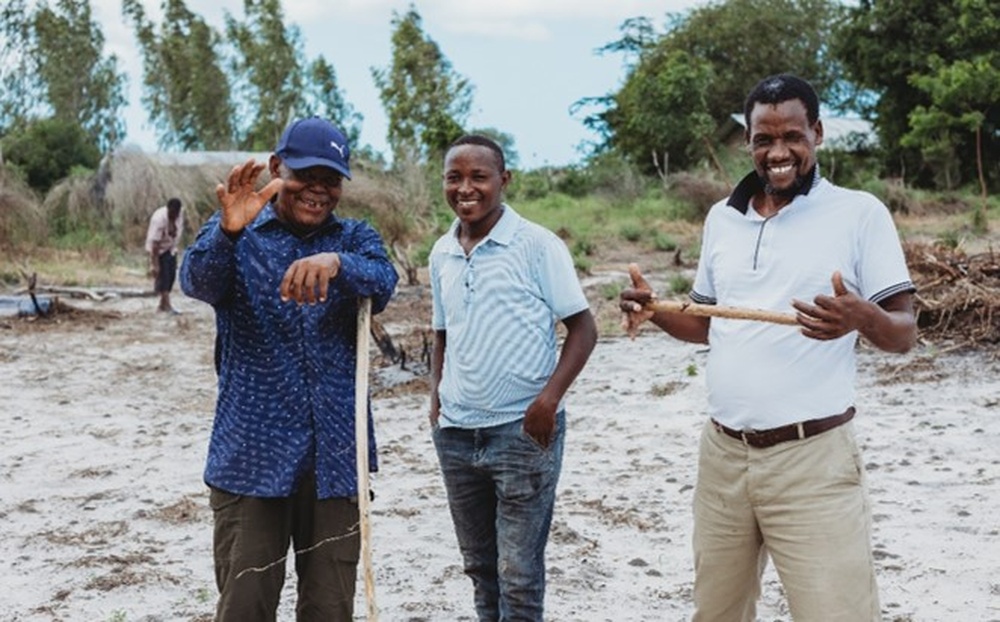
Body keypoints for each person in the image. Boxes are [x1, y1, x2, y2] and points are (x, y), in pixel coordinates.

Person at [620, 74, 917, 621]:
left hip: (814, 461)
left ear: (818, 134)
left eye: (792, 137)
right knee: (717, 613)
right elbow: (710, 324)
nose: (778, 152)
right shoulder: (722, 218)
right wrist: (656, 311)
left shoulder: (860, 213)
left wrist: (862, 315)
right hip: (723, 457)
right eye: (764, 139)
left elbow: (904, 331)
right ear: (748, 141)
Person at [179, 116, 398, 621]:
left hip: (336, 461)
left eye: (331, 179)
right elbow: (198, 282)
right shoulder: (237, 233)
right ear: (277, 168)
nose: (318, 190)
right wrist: (228, 233)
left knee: (329, 607)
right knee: (245, 607)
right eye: (306, 175)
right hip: (251, 459)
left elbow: (383, 282)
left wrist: (338, 264)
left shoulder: (355, 238)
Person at [429, 134, 598, 621]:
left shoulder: (537, 245)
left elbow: (584, 328)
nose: (466, 188)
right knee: (481, 568)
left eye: (479, 177)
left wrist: (548, 400)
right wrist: (435, 399)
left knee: (519, 574)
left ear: (504, 180)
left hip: (523, 431)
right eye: (454, 177)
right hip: (457, 434)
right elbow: (442, 332)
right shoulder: (442, 252)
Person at [145, 197, 184, 313]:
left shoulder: (180, 213)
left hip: (171, 247)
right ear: (168, 210)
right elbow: (155, 244)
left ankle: (162, 305)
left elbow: (177, 230)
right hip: (158, 250)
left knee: (171, 275)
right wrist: (154, 264)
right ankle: (166, 305)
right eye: (173, 214)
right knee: (164, 276)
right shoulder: (159, 219)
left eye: (176, 214)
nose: (175, 216)